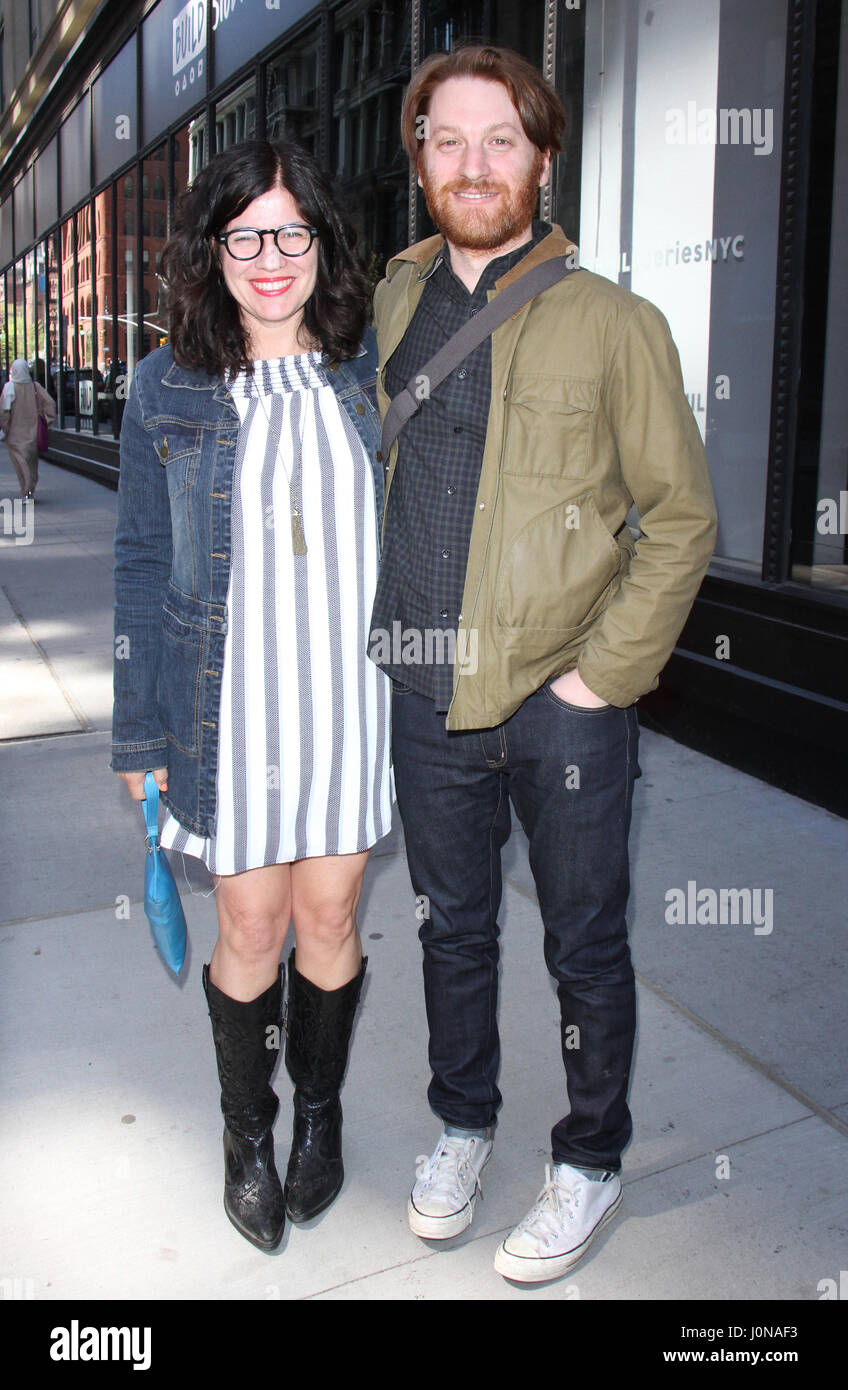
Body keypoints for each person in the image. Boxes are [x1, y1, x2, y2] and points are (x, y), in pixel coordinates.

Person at [369, 45, 718, 1284]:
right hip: (423, 687)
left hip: (564, 699)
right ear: (419, 163)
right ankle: (461, 1127)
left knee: (583, 943)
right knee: (448, 932)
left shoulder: (617, 323)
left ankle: (587, 1157)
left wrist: (601, 680)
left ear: (541, 160)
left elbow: (678, 520)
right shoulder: (396, 301)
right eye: (447, 140)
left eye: (499, 141)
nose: (473, 165)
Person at [111, 139, 392, 1253]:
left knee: (328, 920)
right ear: (210, 248)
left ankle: (318, 1120)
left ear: (319, 243)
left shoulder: (369, 362)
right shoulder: (161, 384)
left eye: (290, 232)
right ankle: (248, 1136)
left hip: (347, 701)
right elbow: (138, 562)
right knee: (250, 926)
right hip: (226, 705)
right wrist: (139, 727)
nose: (269, 258)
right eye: (244, 234)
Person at [0, 359, 55, 499]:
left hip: (14, 434)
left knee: (20, 464)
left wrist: (4, 429)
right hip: (33, 433)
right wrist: (48, 420)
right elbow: (50, 403)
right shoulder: (35, 387)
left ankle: (26, 489)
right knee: (32, 463)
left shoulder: (9, 388)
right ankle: (30, 489)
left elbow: (4, 413)